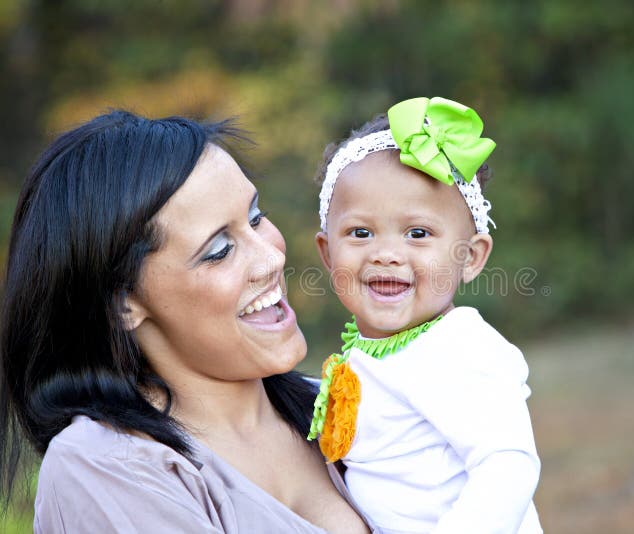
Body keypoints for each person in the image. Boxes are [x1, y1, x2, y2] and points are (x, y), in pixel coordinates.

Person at [0, 110, 372, 533]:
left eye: (255, 218)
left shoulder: (344, 407)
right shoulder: (104, 466)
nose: (272, 258)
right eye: (219, 250)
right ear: (123, 302)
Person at [307, 97, 543, 533]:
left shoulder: (459, 348)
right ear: (326, 251)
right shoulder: (371, 352)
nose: (387, 254)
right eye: (360, 232)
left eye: (418, 233)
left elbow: (507, 465)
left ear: (470, 257)